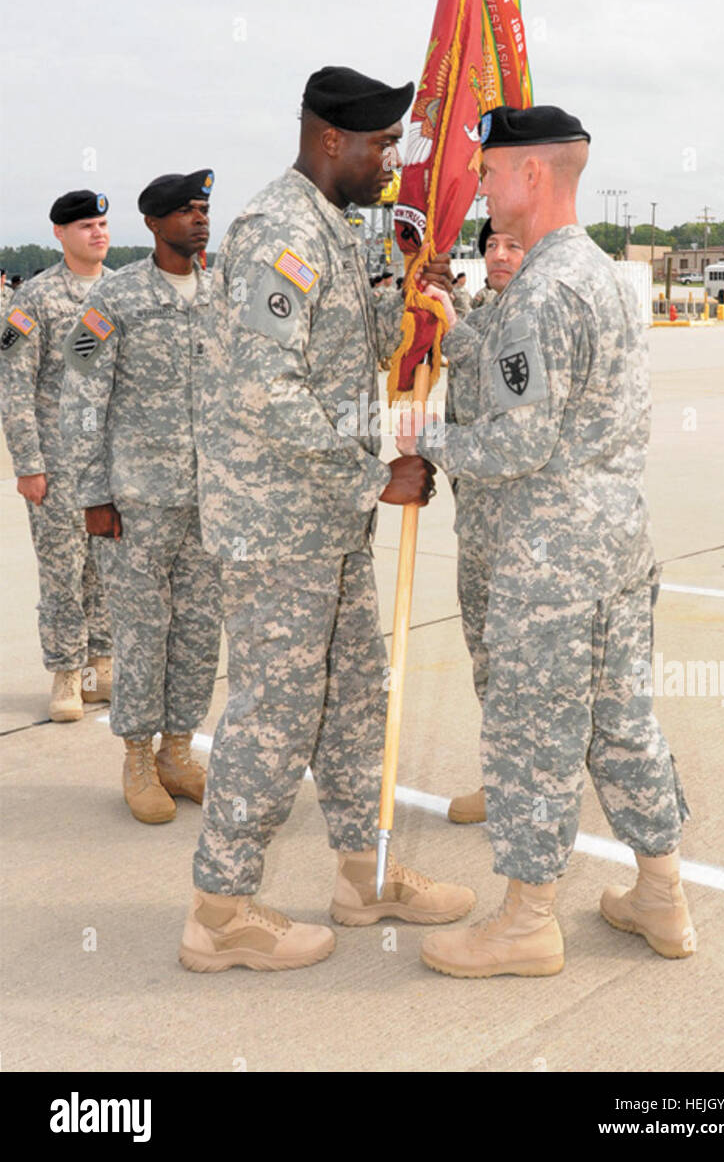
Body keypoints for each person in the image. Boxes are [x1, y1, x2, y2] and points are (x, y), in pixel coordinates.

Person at [181, 65, 475, 974]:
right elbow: (266, 390)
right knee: (273, 713)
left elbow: (342, 352)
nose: (393, 159)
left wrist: (406, 301)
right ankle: (220, 911)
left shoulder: (332, 228)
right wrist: (372, 477)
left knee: (355, 699)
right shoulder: (277, 230)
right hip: (278, 528)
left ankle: (363, 871)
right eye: (383, 144)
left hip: (324, 524)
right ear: (330, 141)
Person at [397, 104, 694, 978]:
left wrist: (421, 439)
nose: (477, 185)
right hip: (609, 546)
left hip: (544, 563)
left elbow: (515, 444)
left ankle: (526, 921)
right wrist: (461, 323)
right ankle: (660, 893)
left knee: (532, 733)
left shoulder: (545, 289)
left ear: (529, 174)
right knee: (621, 720)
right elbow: (536, 386)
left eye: (486, 171)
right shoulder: (589, 273)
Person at [59, 170, 222, 823]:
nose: (199, 219)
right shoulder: (114, 299)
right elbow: (79, 398)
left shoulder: (222, 293)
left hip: (209, 502)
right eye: (184, 210)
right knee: (140, 634)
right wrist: (94, 492)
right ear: (153, 224)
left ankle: (178, 752)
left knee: (196, 632)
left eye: (204, 208)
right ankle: (135, 756)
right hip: (137, 504)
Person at [0, 191, 114, 721]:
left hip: (111, 461)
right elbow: (14, 386)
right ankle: (66, 672)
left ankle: (100, 667)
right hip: (57, 461)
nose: (98, 233)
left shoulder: (120, 292)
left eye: (103, 223)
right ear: (60, 234)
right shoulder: (34, 300)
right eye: (87, 225)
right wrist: (28, 463)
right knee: (63, 570)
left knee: (106, 566)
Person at [446, 219, 527, 826]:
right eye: (490, 246)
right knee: (488, 661)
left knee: (536, 669)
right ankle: (502, 781)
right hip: (477, 531)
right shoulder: (476, 323)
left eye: (513, 244)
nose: (498, 255)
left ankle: (537, 792)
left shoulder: (538, 323)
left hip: (530, 536)